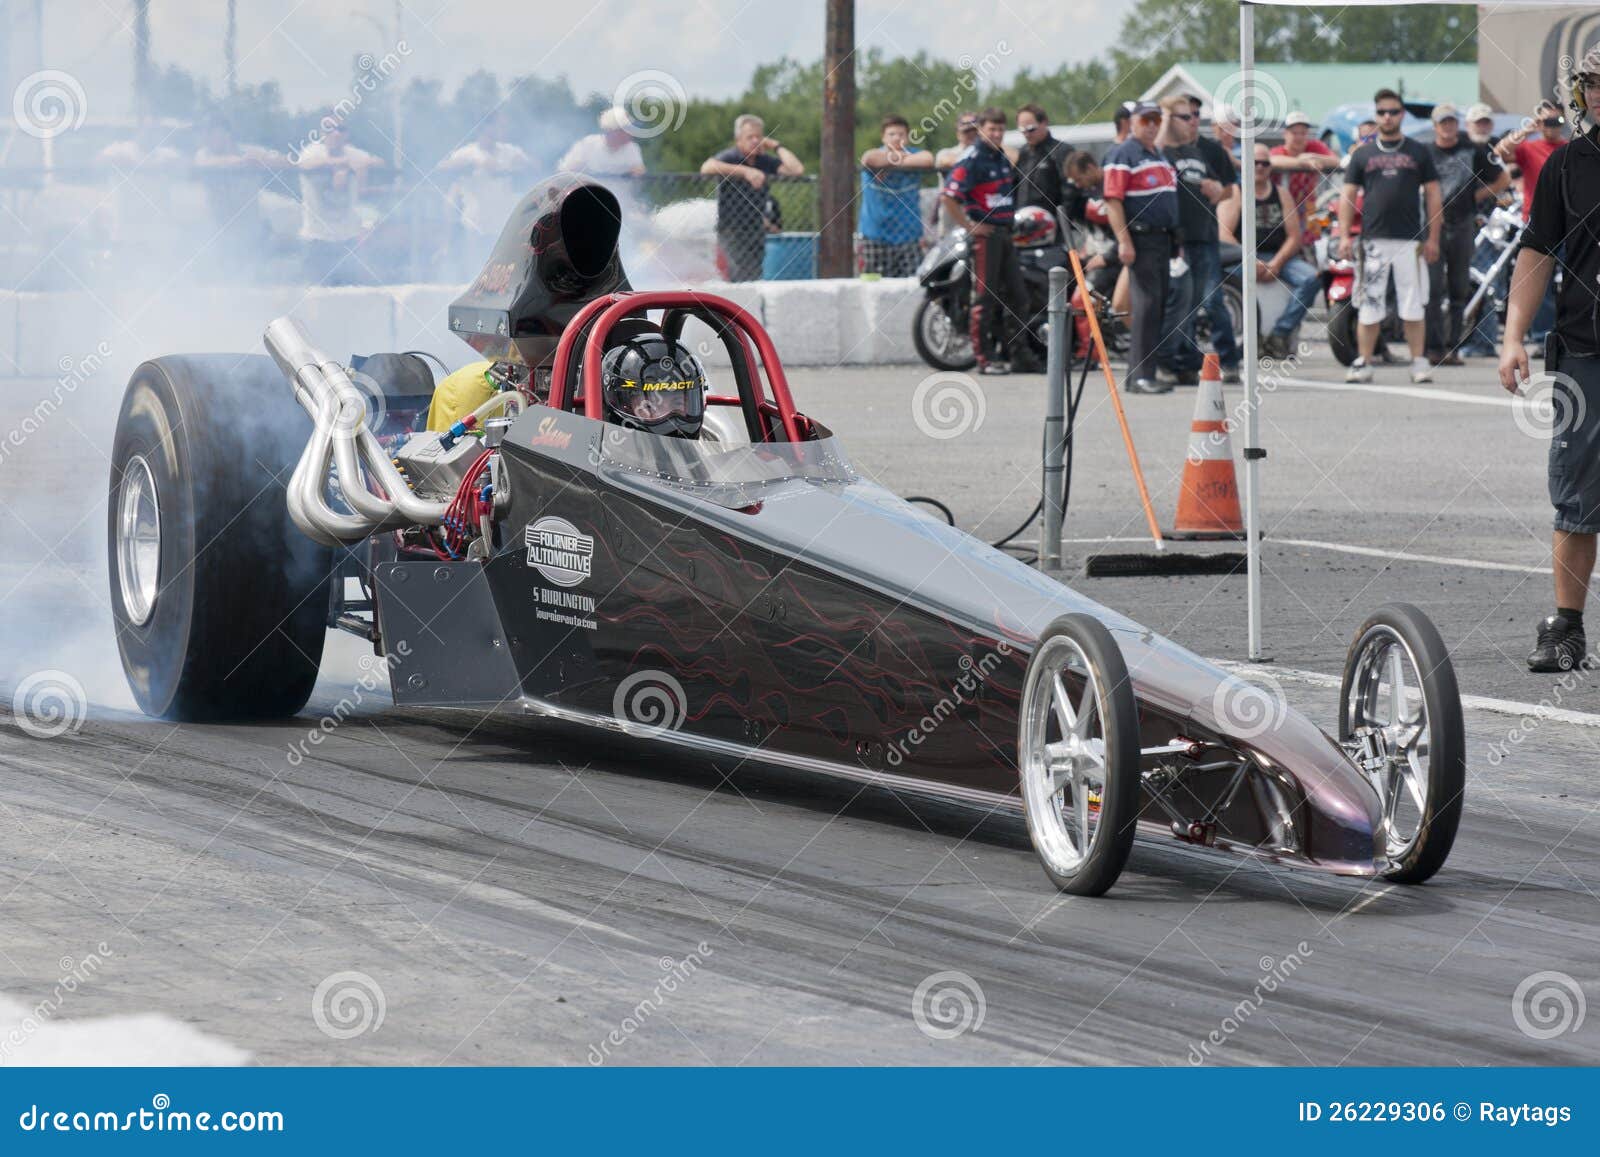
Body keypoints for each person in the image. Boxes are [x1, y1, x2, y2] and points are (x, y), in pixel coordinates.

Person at [1499, 46, 1600, 673]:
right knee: (1577, 498)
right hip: (1586, 352)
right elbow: (1536, 251)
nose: (1598, 91)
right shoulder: (1567, 165)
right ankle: (1567, 629)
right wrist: (1513, 336)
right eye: (1592, 82)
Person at [1338, 88, 1442, 384]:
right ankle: (1363, 361)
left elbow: (1434, 196)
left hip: (1410, 240)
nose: (1387, 117)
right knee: (1369, 303)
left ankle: (1418, 362)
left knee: (1413, 302)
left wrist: (1433, 237)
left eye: (1393, 111)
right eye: (1382, 112)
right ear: (1376, 115)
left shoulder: (1418, 152)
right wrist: (1346, 235)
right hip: (1372, 241)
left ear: (1402, 114)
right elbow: (1347, 196)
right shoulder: (1364, 154)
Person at [940, 106, 1034, 374]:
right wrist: (970, 226)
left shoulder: (1001, 157)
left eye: (1001, 129)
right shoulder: (972, 159)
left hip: (1005, 233)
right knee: (984, 297)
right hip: (986, 237)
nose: (996, 134)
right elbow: (949, 197)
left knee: (1018, 296)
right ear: (981, 130)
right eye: (991, 129)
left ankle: (1019, 355)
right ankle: (984, 359)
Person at [1156, 93, 1240, 384]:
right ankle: (1184, 362)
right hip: (1175, 237)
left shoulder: (1209, 149)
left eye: (1194, 116)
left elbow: (1228, 188)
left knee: (1212, 299)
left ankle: (1229, 360)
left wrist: (1217, 189)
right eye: (1184, 116)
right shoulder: (1162, 149)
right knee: (1182, 301)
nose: (1191, 122)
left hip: (1204, 234)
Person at [1102, 101, 1181, 395]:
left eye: (1156, 120)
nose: (1152, 125)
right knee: (1146, 307)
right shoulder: (1124, 154)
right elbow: (1113, 200)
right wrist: (1124, 240)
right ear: (1133, 122)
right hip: (1141, 237)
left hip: (1162, 239)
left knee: (1156, 305)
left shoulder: (1157, 154)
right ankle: (1139, 375)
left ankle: (1145, 371)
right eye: (1146, 119)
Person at [1424, 102, 1509, 365]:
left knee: (1459, 287)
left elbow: (1502, 179)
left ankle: (1452, 347)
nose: (1448, 126)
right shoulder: (1426, 153)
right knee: (1433, 288)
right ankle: (1432, 347)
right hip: (1432, 225)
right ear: (1435, 126)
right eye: (1443, 122)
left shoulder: (1472, 149)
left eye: (1451, 121)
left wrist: (1474, 197)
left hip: (1463, 224)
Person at [1221, 144, 1322, 360]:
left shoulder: (1282, 194)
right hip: (1242, 258)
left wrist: (1277, 262)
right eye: (1254, 163)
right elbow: (1224, 234)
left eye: (1265, 163)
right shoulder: (1236, 193)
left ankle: (1280, 333)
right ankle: (1251, 337)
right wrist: (1251, 260)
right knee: (1229, 283)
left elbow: (1295, 236)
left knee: (1312, 278)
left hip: (1279, 256)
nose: (1259, 167)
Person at [701, 114, 804, 282]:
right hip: (731, 229)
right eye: (750, 137)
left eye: (759, 136)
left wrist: (775, 145)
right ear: (739, 139)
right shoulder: (731, 156)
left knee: (754, 277)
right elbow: (707, 167)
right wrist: (745, 172)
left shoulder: (763, 160)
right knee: (737, 276)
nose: (755, 140)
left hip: (756, 229)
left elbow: (797, 170)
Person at [295, 116, 383, 286]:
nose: (335, 133)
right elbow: (304, 165)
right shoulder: (312, 152)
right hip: (316, 241)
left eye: (341, 129)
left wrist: (358, 166)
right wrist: (339, 164)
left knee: (350, 298)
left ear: (347, 134)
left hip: (347, 241)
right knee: (314, 299)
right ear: (322, 133)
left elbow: (379, 163)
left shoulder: (354, 153)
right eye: (329, 129)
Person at [859, 114, 933, 277]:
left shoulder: (916, 153)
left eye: (901, 134)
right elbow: (870, 159)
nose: (896, 138)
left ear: (907, 137)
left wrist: (891, 161)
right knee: (872, 284)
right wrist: (904, 160)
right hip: (875, 234)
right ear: (883, 137)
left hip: (908, 235)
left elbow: (928, 159)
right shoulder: (875, 153)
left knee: (912, 284)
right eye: (891, 134)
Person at [601, 330, 709, 439]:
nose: (670, 423)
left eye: (678, 403)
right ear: (626, 407)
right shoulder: (596, 449)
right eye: (649, 406)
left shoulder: (714, 442)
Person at [1270, 110, 1340, 238]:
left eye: (1303, 133)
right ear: (1285, 134)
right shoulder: (1278, 151)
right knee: (1284, 242)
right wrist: (1302, 163)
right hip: (1282, 210)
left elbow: (1336, 161)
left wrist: (1311, 157)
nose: (1299, 137)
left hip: (1310, 208)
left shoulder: (1313, 147)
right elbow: (1272, 160)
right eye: (1294, 132)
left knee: (1315, 243)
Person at [1495, 100, 1567, 217]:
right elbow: (1499, 151)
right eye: (1548, 121)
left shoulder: (1570, 149)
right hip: (1533, 216)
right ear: (1540, 122)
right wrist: (1528, 129)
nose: (1553, 125)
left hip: (1562, 217)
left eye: (1558, 120)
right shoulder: (1529, 148)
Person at [1015, 103, 1071, 220]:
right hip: (1024, 224)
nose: (1027, 134)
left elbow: (1070, 192)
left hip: (1055, 225)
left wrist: (1062, 222)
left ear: (1044, 122)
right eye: (1022, 130)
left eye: (1031, 129)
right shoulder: (1022, 153)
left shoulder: (1061, 151)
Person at [558, 107, 647, 177]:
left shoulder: (633, 148)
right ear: (613, 131)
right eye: (627, 129)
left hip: (622, 199)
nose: (631, 133)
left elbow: (639, 171)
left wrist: (638, 172)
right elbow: (565, 171)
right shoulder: (588, 144)